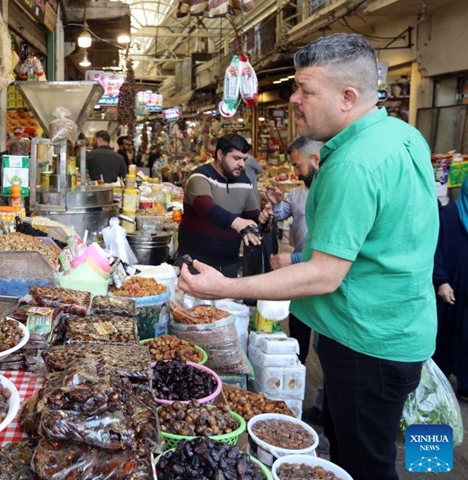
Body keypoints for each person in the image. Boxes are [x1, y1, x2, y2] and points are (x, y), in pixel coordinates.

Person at [177, 33, 437, 480]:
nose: (294, 98)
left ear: (347, 97)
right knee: (361, 446)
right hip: (401, 327)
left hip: (367, 342)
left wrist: (225, 288)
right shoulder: (401, 133)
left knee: (368, 463)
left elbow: (323, 275)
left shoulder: (353, 164)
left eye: (306, 90)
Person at [177, 133, 267, 278]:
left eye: (244, 159)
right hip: (195, 263)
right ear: (220, 155)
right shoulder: (200, 177)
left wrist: (263, 217)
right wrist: (237, 223)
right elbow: (206, 208)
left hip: (229, 264)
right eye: (236, 158)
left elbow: (250, 216)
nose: (242, 164)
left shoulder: (244, 181)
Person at [267, 136, 323, 364]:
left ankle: (323, 394)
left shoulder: (333, 193)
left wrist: (292, 258)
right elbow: (281, 215)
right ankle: (298, 371)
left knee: (323, 339)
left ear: (315, 160)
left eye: (298, 165)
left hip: (322, 272)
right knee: (298, 328)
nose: (295, 172)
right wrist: (276, 203)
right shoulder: (298, 193)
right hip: (301, 273)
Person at [432, 180, 468, 401]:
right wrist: (441, 281)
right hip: (450, 290)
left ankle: (465, 385)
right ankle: (438, 385)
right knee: (444, 337)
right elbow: (435, 250)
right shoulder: (450, 214)